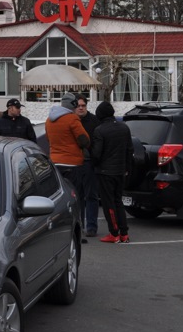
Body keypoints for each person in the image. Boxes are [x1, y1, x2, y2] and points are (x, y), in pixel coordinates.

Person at [45, 92, 90, 237]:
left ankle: (57, 230)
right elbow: (84, 140)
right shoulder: (72, 119)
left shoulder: (49, 120)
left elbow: (48, 139)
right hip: (72, 164)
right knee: (76, 197)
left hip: (55, 163)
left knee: (58, 198)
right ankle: (78, 229)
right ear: (73, 105)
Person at [90, 101, 133, 243]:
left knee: (109, 203)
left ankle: (114, 233)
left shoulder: (100, 130)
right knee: (118, 201)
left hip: (105, 171)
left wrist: (93, 164)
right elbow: (129, 150)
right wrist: (127, 168)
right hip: (121, 170)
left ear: (100, 115)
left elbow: (96, 154)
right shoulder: (124, 128)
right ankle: (124, 233)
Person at [74, 95, 101, 237]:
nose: (80, 107)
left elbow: (98, 143)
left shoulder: (94, 121)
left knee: (91, 195)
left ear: (86, 106)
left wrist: (94, 157)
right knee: (78, 196)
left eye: (83, 105)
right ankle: (79, 225)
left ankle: (91, 226)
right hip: (75, 163)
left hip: (90, 162)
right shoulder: (71, 121)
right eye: (78, 105)